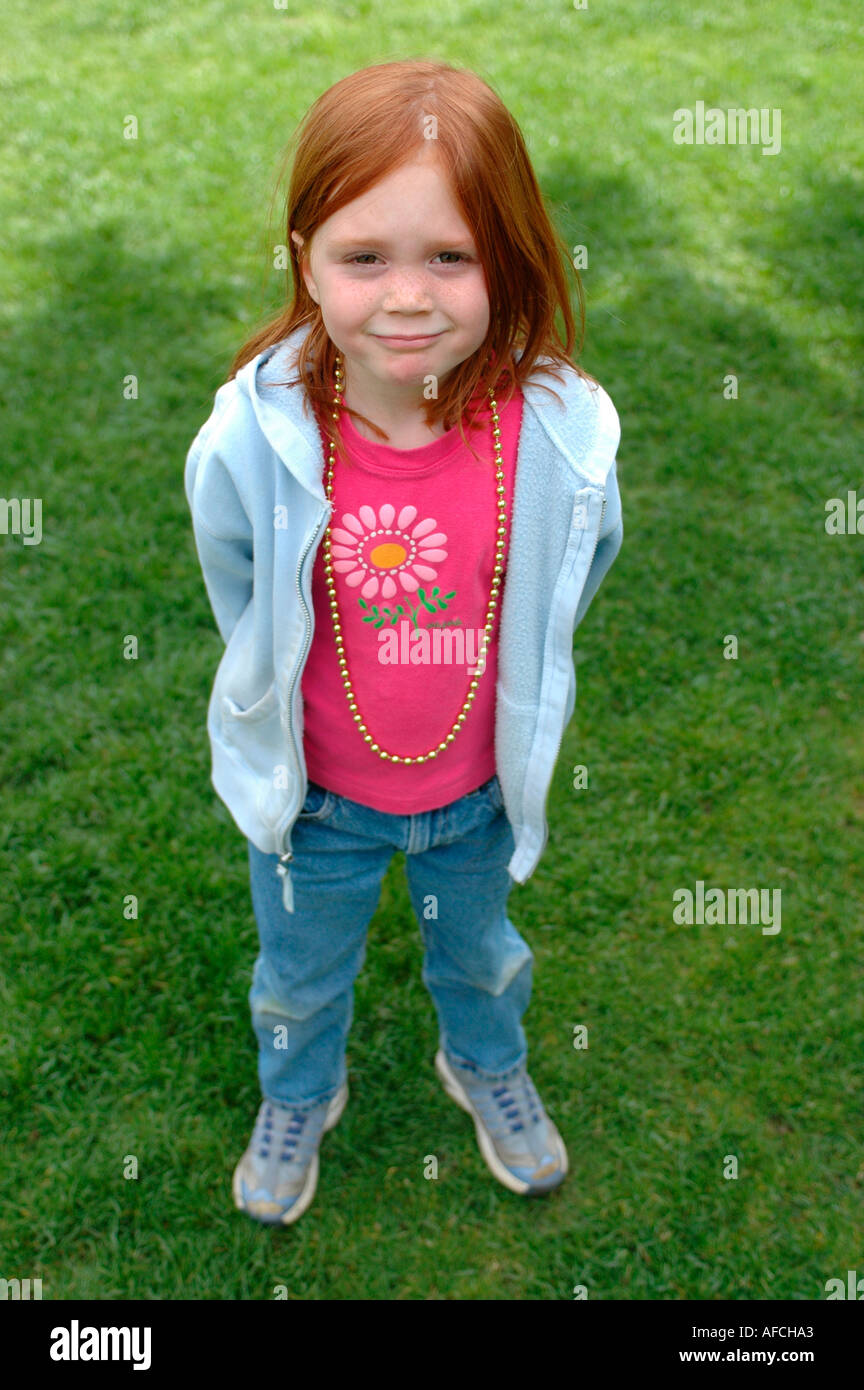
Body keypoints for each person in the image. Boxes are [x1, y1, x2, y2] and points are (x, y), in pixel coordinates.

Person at [184, 59, 624, 1226]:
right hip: (316, 803)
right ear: (305, 258)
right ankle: (298, 1091)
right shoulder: (257, 436)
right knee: (299, 974)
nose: (407, 297)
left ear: (511, 256)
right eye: (363, 257)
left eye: (450, 256)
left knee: (481, 957)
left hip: (475, 797)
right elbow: (236, 571)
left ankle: (482, 1061)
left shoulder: (556, 434)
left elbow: (581, 562)